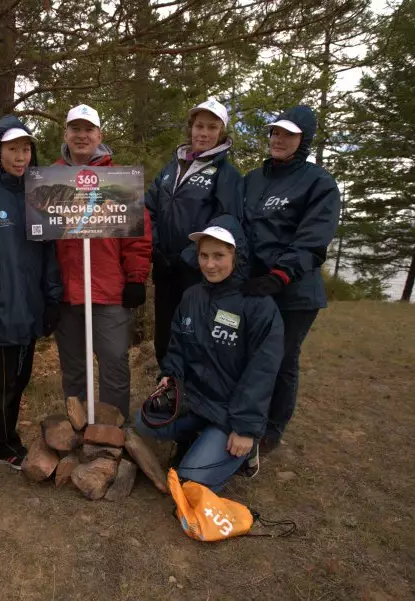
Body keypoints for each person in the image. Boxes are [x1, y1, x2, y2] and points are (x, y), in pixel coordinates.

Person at [136, 216, 283, 490]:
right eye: (203, 255)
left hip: (231, 411)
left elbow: (262, 372)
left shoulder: (258, 305)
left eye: (219, 255)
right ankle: (197, 437)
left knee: (191, 482)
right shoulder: (192, 296)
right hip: (195, 399)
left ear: (237, 254)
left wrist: (246, 428)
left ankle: (245, 452)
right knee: (143, 422)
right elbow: (177, 345)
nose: (209, 264)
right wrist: (170, 375)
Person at [0, 115, 63, 469]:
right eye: (12, 149)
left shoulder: (39, 193)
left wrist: (52, 298)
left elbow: (49, 250)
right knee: (1, 381)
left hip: (30, 306)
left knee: (20, 377)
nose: (20, 157)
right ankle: (5, 444)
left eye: (25, 149)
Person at [242, 105, 341, 452]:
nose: (279, 139)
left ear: (304, 140)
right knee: (252, 356)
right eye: (275, 132)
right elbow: (239, 229)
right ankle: (246, 418)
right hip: (256, 288)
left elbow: (312, 239)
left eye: (288, 134)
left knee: (281, 358)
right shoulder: (253, 179)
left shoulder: (319, 183)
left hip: (295, 292)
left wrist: (280, 274)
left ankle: (271, 429)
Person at [53, 104, 152, 421]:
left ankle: (112, 435)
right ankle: (78, 430)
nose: (81, 136)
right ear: (66, 134)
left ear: (99, 135)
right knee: (73, 370)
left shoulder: (121, 181)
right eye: (75, 129)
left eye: (88, 129)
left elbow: (138, 236)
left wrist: (136, 277)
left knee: (113, 366)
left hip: (109, 291)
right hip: (67, 294)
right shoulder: (48, 179)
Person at [145, 99, 244, 365]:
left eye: (212, 127)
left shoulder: (226, 174)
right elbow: (149, 209)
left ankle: (195, 398)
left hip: (199, 270)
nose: (204, 133)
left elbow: (227, 221)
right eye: (199, 126)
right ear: (191, 128)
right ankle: (166, 392)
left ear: (221, 132)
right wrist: (155, 248)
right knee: (165, 336)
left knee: (194, 334)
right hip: (165, 268)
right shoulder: (170, 168)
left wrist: (189, 256)